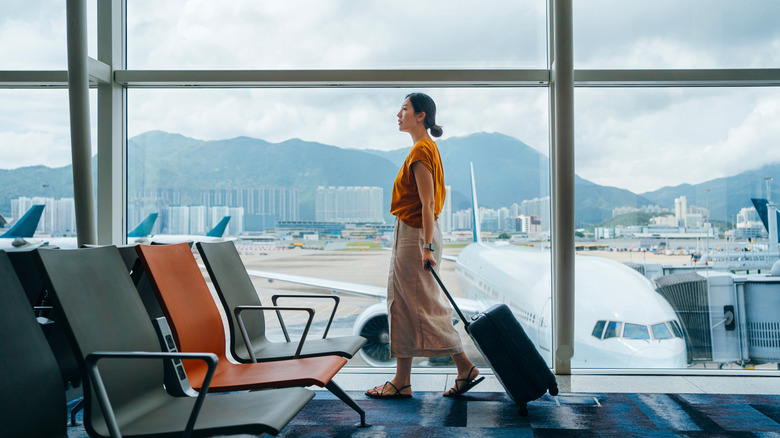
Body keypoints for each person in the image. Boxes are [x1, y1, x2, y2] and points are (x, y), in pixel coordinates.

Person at [365, 92, 483, 399]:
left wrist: (427, 247)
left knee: (422, 305)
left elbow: (428, 203)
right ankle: (403, 379)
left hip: (417, 234)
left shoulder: (421, 151)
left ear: (421, 116)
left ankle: (463, 367)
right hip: (414, 233)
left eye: (404, 109)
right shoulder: (424, 148)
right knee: (402, 304)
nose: (398, 114)